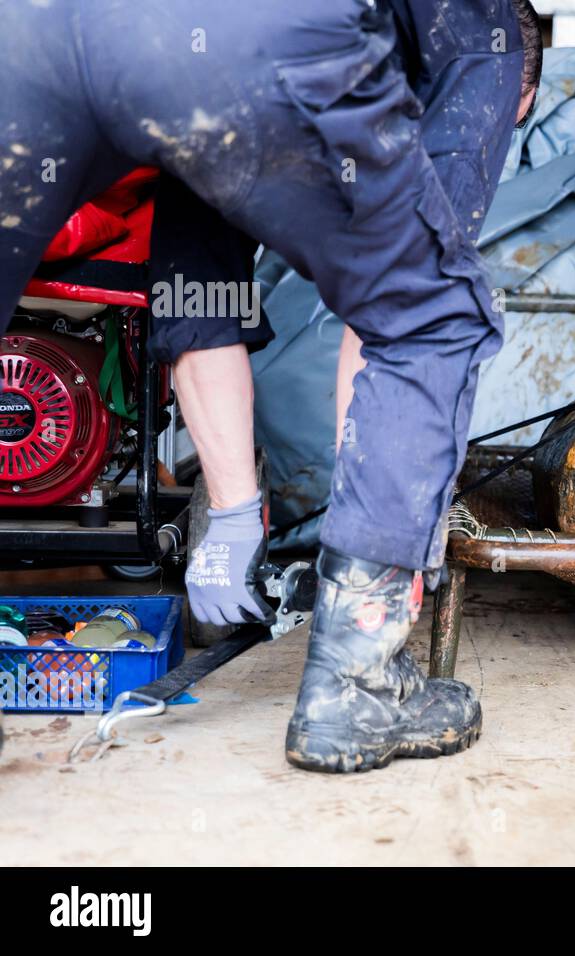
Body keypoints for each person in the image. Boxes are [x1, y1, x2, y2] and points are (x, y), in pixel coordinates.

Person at [0, 0, 542, 770]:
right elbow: (393, 315)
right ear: (520, 93)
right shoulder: (488, 48)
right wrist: (381, 538)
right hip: (250, 39)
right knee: (432, 315)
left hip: (37, 29)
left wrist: (234, 512)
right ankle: (355, 686)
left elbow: (198, 284)